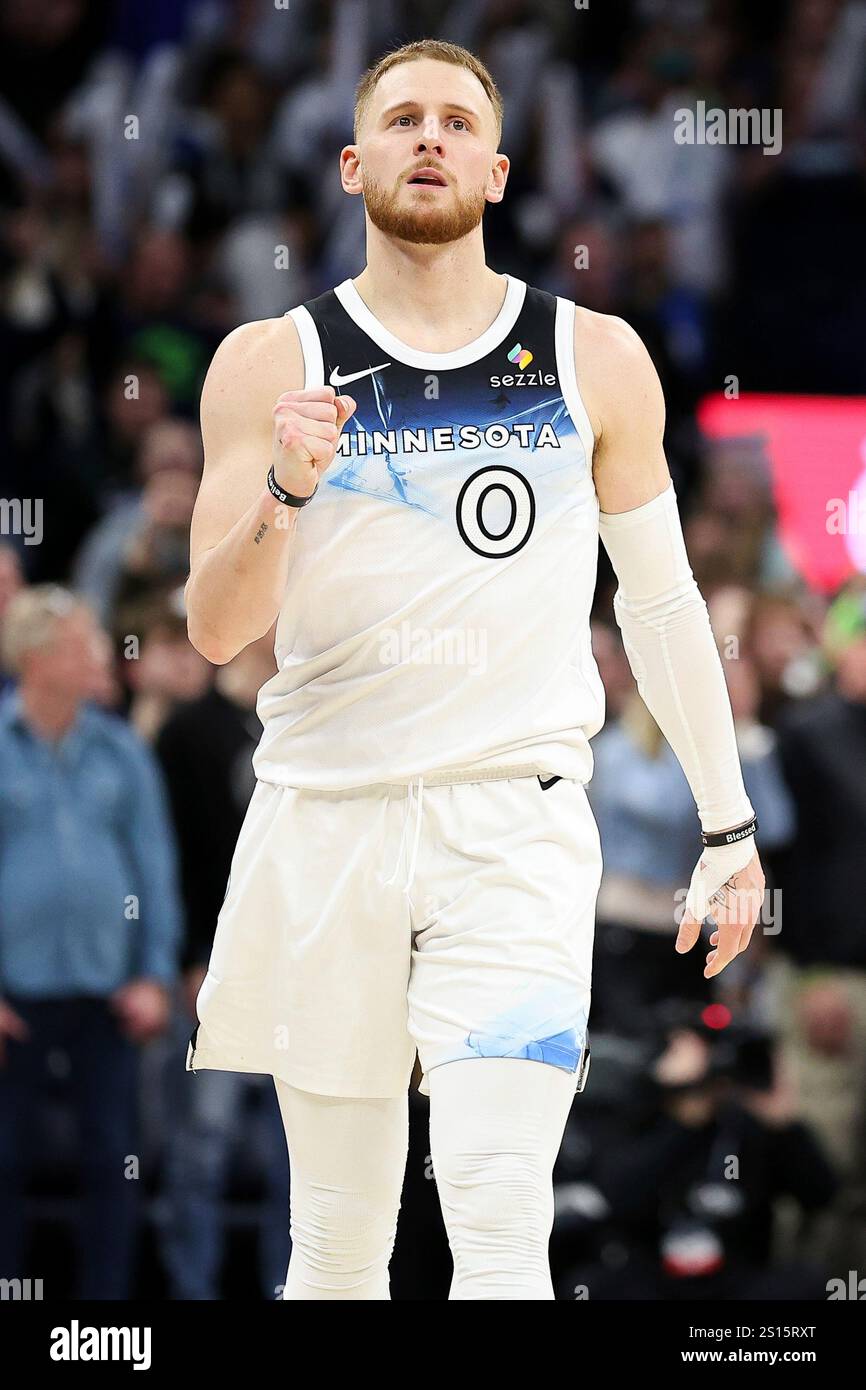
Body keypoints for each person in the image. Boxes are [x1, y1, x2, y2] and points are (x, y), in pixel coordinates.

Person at [183, 39, 765, 1301]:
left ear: (499, 172)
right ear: (352, 162)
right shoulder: (266, 362)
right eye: (401, 120)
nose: (428, 139)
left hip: (512, 829)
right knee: (336, 1252)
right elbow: (214, 630)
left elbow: (660, 603)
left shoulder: (590, 355)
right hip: (326, 821)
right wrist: (284, 489)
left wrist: (726, 825)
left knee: (501, 1229)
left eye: (456, 122)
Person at [0, 586, 182, 1299]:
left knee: (114, 1159)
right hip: (15, 999)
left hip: (109, 996)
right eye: (84, 644)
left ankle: (104, 1312)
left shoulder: (122, 750)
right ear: (38, 656)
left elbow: (155, 870)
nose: (101, 657)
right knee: (5, 1161)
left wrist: (154, 976)